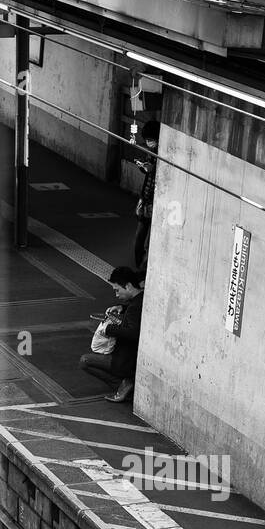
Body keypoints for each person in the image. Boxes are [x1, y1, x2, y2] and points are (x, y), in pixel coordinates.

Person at [79, 265, 145, 402]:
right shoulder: (141, 299)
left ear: (127, 286)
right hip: (130, 357)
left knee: (85, 361)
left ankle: (123, 385)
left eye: (117, 290)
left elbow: (133, 333)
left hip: (125, 361)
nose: (116, 295)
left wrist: (108, 330)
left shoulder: (134, 308)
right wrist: (122, 307)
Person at [132, 120, 159, 270]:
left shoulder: (165, 153)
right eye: (147, 140)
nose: (148, 143)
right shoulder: (151, 153)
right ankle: (140, 266)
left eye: (151, 140)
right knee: (139, 237)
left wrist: (152, 169)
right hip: (146, 199)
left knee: (148, 240)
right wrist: (144, 168)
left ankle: (143, 268)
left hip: (156, 202)